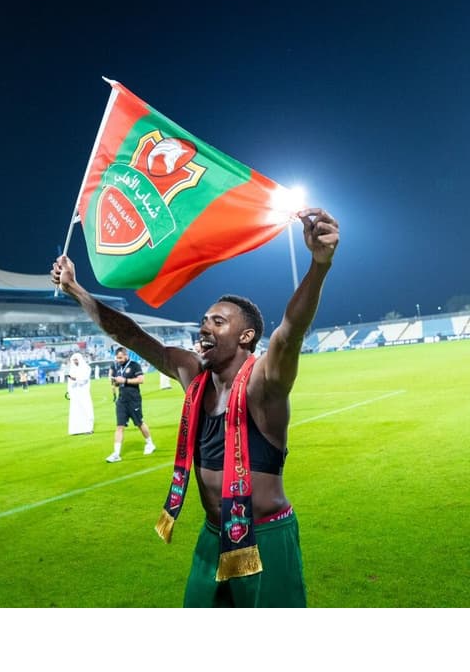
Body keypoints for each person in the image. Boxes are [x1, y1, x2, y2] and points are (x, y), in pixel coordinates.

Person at [50, 207, 339, 607]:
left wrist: (318, 266)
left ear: (246, 337)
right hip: (213, 535)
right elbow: (132, 336)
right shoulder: (191, 373)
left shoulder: (263, 384)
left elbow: (290, 333)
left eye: (218, 322)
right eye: (204, 320)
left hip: (265, 537)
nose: (204, 327)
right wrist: (77, 291)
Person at [104, 347, 156, 462]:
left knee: (139, 423)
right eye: (117, 358)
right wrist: (115, 383)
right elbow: (117, 382)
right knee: (119, 426)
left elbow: (141, 379)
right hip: (122, 400)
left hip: (134, 399)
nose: (119, 360)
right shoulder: (116, 366)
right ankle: (116, 453)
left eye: (121, 358)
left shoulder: (134, 365)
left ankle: (150, 444)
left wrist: (125, 381)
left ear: (126, 356)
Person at [66, 352, 95, 435]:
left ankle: (88, 428)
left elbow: (84, 379)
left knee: (86, 409)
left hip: (84, 392)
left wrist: (75, 378)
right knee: (76, 411)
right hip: (75, 393)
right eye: (74, 360)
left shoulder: (86, 368)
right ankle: (76, 430)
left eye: (76, 359)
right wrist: (69, 391)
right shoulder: (72, 369)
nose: (75, 361)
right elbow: (69, 382)